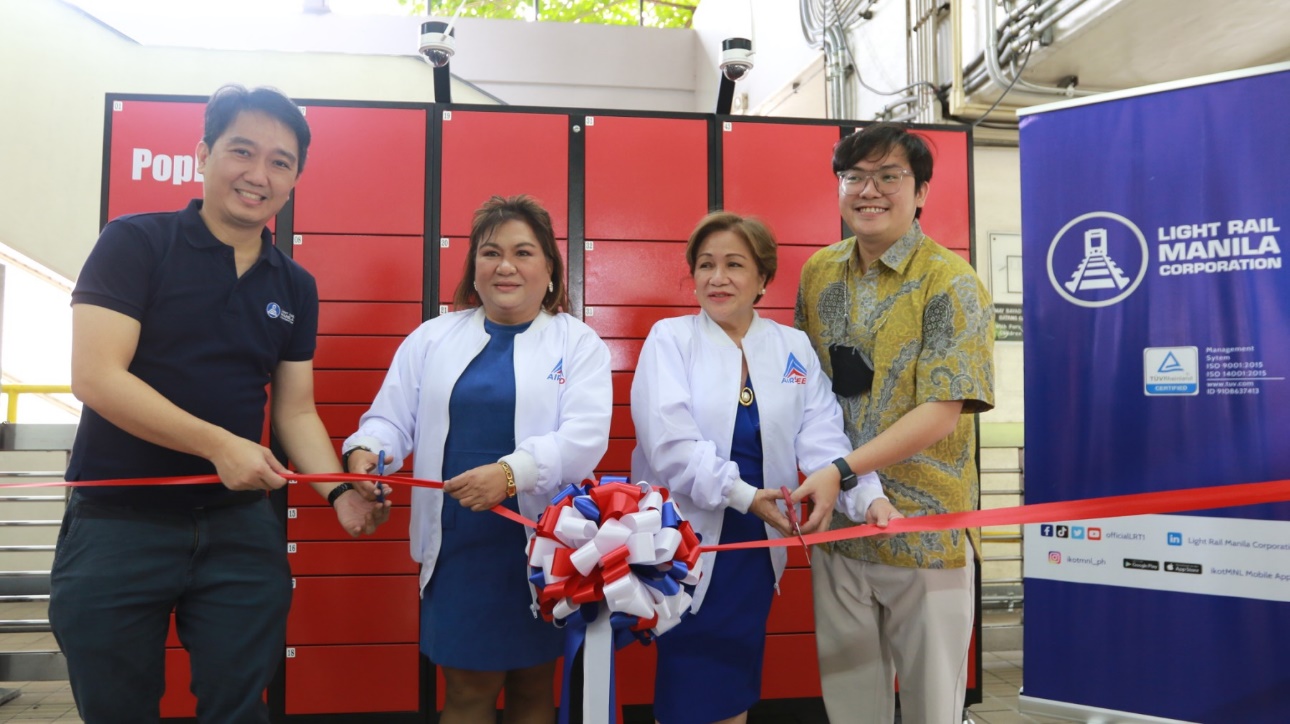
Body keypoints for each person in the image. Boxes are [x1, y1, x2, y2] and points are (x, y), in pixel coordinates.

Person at [49, 84, 391, 724]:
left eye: (281, 162)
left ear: (294, 179)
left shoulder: (295, 284)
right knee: (116, 710)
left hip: (239, 530)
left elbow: (294, 412)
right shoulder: (135, 243)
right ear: (204, 153)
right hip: (118, 525)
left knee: (238, 710)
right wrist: (218, 445)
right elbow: (96, 376)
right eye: (242, 151)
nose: (258, 175)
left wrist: (338, 491)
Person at [342, 194, 612, 724]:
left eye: (523, 252)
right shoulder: (432, 337)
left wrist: (513, 473)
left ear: (551, 270)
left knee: (536, 689)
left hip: (544, 547)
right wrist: (366, 454)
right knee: (467, 694)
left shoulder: (578, 343)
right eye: (490, 253)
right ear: (474, 268)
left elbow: (585, 436)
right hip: (460, 548)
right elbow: (389, 419)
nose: (505, 266)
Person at [630, 212, 899, 724]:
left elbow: (823, 437)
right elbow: (671, 447)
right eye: (705, 265)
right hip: (683, 543)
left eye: (734, 264)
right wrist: (745, 496)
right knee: (687, 682)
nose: (717, 277)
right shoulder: (671, 339)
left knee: (735, 680)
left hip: (753, 548)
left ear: (763, 278)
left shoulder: (790, 347)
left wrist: (868, 498)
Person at [794, 122, 995, 724]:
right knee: (853, 705)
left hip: (925, 532)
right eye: (854, 177)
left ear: (922, 191)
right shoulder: (819, 273)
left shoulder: (951, 282)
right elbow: (805, 390)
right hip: (841, 526)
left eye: (889, 176)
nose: (869, 190)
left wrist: (840, 470)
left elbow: (942, 412)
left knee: (934, 707)